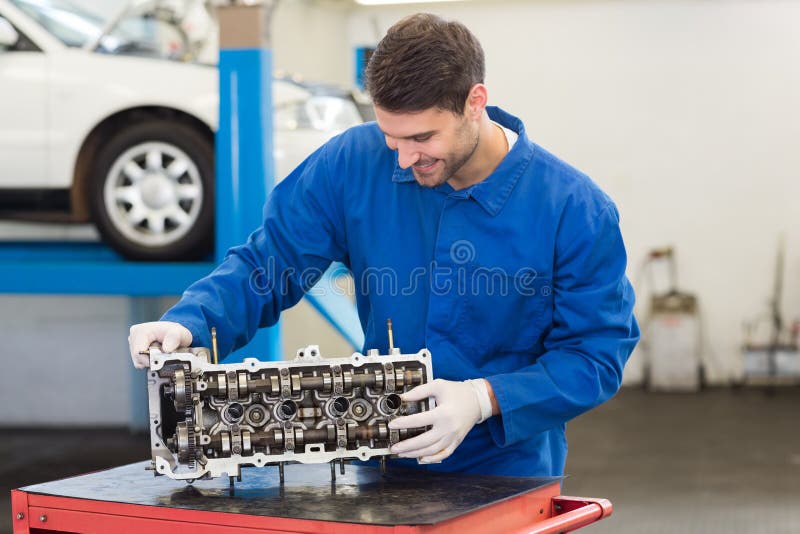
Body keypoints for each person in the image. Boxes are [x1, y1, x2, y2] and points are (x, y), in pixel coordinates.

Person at [129, 13, 639, 477]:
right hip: (383, 469)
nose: (403, 159)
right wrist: (190, 320)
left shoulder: (575, 210)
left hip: (507, 474)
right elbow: (271, 260)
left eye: (422, 138)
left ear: (474, 103)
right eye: (392, 137)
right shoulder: (353, 163)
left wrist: (485, 399)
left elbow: (594, 356)